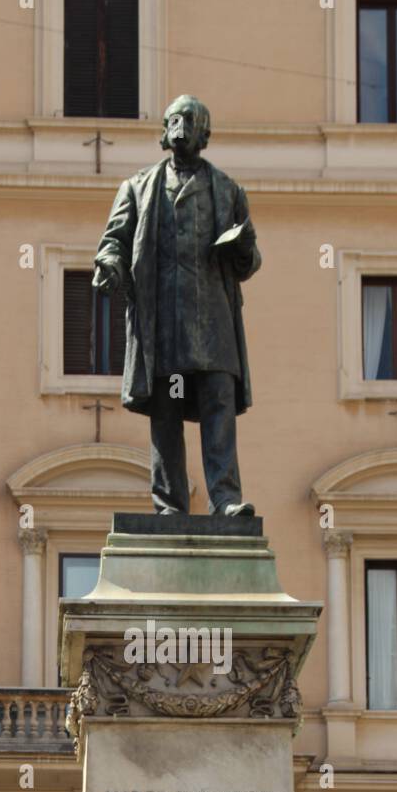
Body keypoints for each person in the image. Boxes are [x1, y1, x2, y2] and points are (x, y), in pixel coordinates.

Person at [93, 95, 261, 517]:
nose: (180, 127)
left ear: (204, 133)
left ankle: (224, 499)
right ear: (163, 132)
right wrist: (110, 264)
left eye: (189, 120)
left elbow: (250, 262)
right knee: (167, 408)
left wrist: (242, 248)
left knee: (219, 404)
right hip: (164, 323)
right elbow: (113, 242)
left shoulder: (227, 191)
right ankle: (170, 505)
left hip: (214, 326)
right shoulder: (137, 188)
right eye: (173, 120)